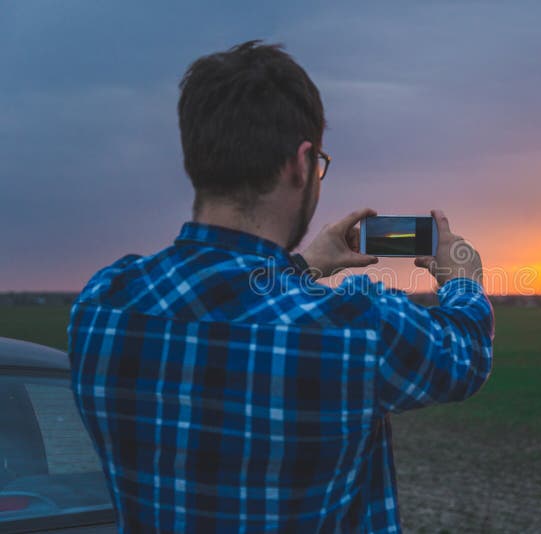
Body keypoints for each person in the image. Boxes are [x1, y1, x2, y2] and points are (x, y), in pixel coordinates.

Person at [68, 40, 494, 533]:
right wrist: (461, 277)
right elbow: (465, 352)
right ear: (301, 162)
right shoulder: (355, 326)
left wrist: (301, 267)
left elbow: (233, 308)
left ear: (196, 158)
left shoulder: (102, 304)